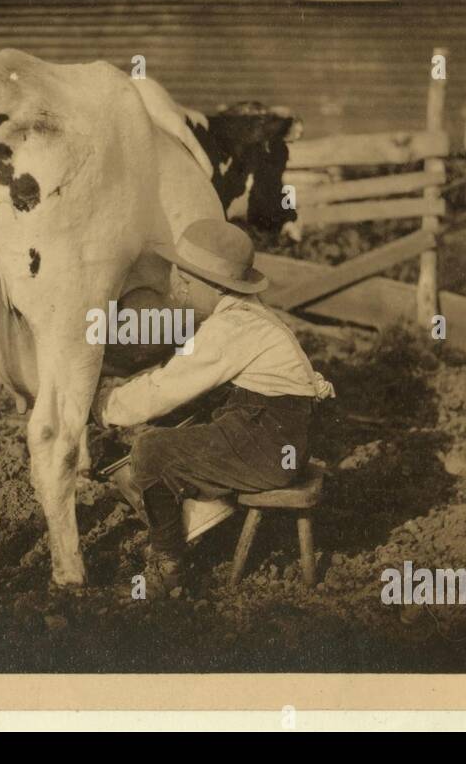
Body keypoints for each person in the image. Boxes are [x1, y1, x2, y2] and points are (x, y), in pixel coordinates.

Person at [92, 217, 335, 596]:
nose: (178, 287)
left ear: (217, 286)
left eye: (186, 279)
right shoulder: (249, 317)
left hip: (270, 444)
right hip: (279, 433)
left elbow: (166, 388)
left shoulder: (230, 329)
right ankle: (195, 515)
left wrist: (104, 406)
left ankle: (167, 565)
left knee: (150, 450)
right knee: (188, 422)